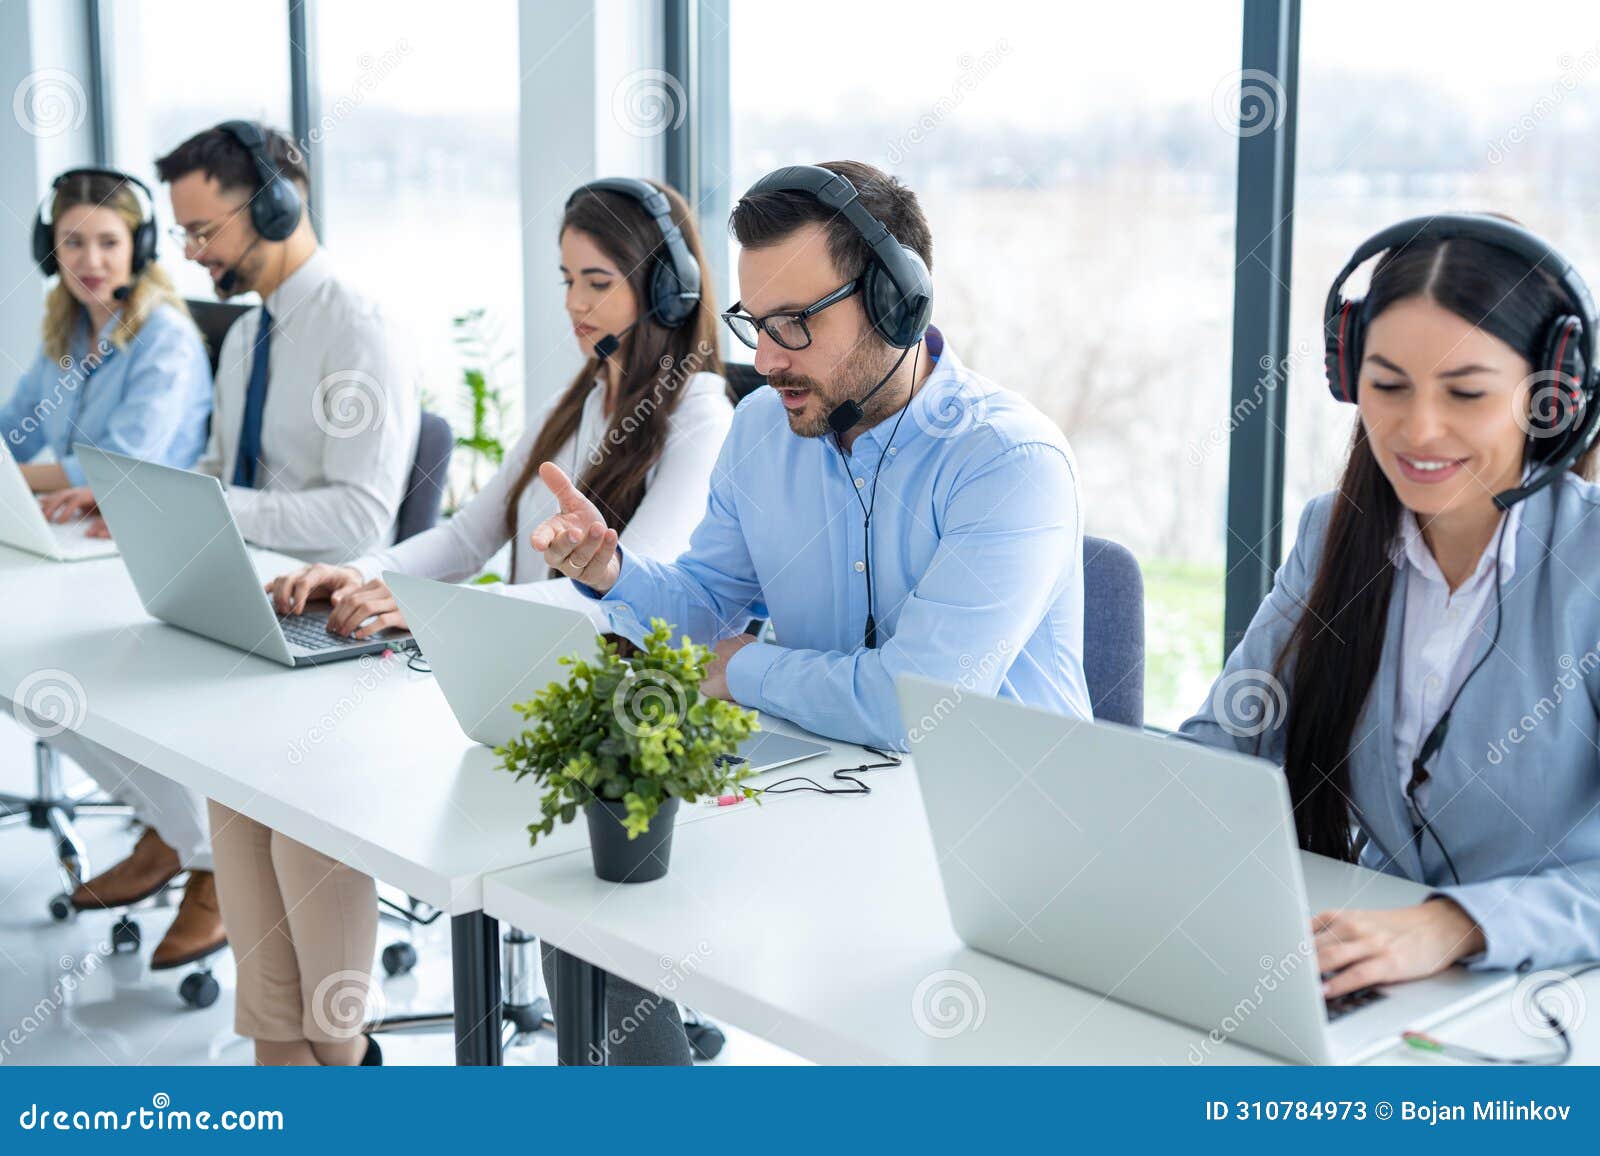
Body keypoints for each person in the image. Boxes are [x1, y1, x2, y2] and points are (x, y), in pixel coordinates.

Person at [528, 161, 1093, 1063]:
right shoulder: (764, 432)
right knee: (592, 910)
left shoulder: (1007, 461)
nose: (768, 357)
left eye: (797, 324)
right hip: (831, 799)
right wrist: (615, 571)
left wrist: (738, 668)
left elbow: (920, 704)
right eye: (757, 322)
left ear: (897, 302)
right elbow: (709, 604)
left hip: (997, 855)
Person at [57, 121, 419, 1066]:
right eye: (179, 235)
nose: (188, 253)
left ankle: (340, 1060)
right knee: (236, 832)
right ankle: (279, 1061)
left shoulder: (356, 326)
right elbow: (221, 470)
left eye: (202, 229)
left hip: (338, 635)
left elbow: (359, 515)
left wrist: (218, 503)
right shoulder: (249, 334)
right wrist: (158, 501)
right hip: (250, 615)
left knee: (295, 840)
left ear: (274, 205)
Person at [1181, 214, 1600, 997]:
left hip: (1554, 996)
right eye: (1387, 384)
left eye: (1467, 392)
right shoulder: (1333, 535)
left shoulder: (1590, 565)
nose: (1418, 429)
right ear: (1348, 376)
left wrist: (1458, 923)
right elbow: (1229, 742)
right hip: (1373, 973)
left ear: (1553, 395)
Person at [263, 177, 733, 641]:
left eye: (598, 282)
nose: (573, 302)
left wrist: (440, 609)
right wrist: (360, 574)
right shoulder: (573, 407)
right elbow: (466, 539)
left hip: (614, 695)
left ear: (669, 292)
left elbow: (636, 597)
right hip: (529, 672)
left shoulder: (700, 419)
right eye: (568, 280)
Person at [2, 168, 210, 508]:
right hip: (82, 520)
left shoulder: (166, 338)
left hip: (150, 522)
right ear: (50, 250)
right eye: (73, 242)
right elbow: (15, 431)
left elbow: (119, 467)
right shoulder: (66, 330)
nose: (91, 261)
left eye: (109, 243)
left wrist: (13, 478)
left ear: (139, 248)